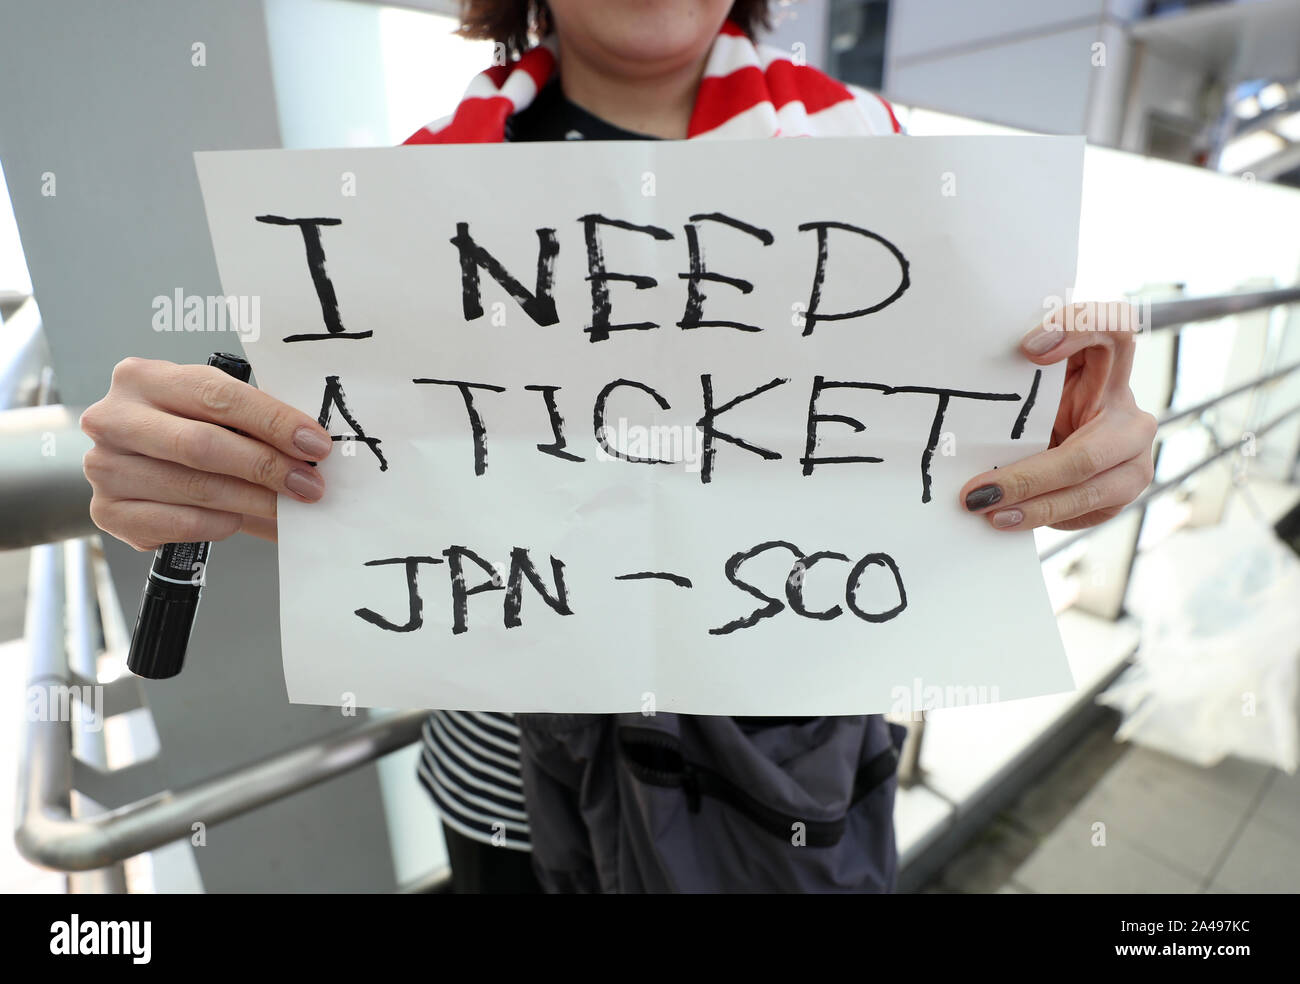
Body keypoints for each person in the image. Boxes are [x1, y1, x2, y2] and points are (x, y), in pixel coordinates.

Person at [79, 0, 1158, 893]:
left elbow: (984, 417)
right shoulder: (401, 201)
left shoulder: (885, 165)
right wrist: (187, 456)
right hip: (505, 772)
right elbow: (337, 461)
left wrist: (1079, 443)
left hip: (773, 770)